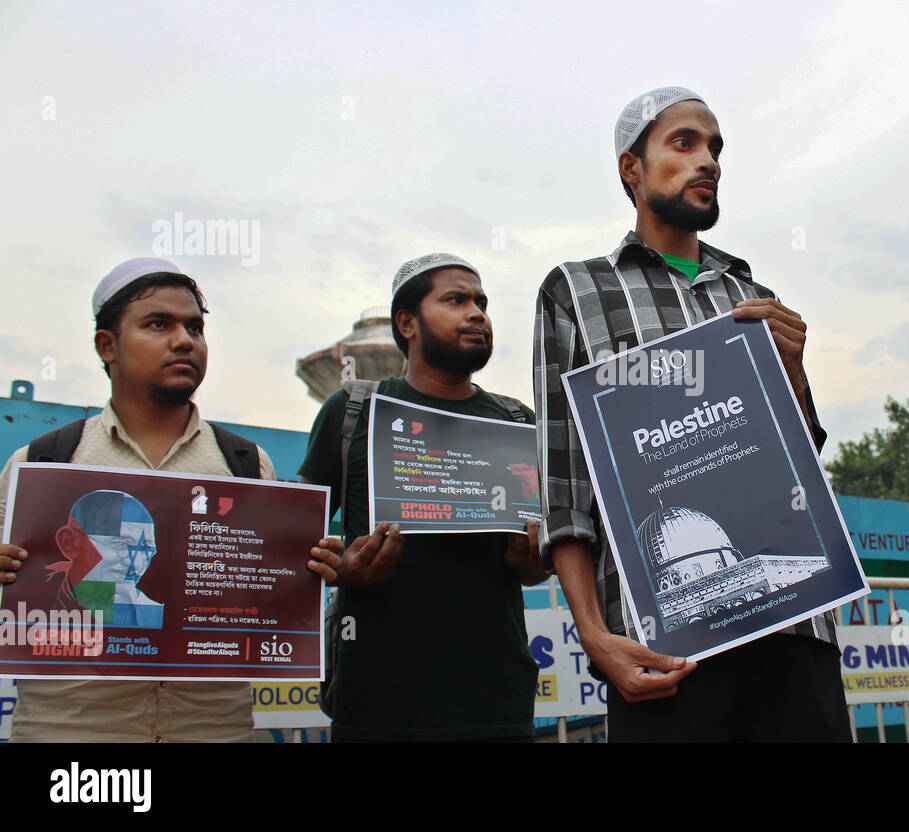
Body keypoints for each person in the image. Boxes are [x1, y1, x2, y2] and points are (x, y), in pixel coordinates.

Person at [533, 86, 848, 741]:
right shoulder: (578, 291)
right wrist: (595, 636)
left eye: (715, 148)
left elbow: (799, 461)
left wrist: (790, 367)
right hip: (666, 645)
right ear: (632, 168)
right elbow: (563, 488)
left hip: (796, 626)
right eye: (684, 143)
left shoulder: (754, 296)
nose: (708, 161)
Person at [0, 256, 327, 742]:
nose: (184, 341)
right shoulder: (44, 462)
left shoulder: (247, 465)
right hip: (70, 735)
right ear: (106, 345)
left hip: (212, 729)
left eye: (195, 327)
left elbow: (264, 598)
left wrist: (314, 570)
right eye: (159, 324)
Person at [299, 252, 546, 742]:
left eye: (482, 302)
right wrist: (344, 573)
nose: (476, 313)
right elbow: (291, 542)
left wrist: (533, 560)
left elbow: (536, 564)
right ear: (407, 322)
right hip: (376, 700)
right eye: (456, 299)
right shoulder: (352, 411)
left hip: (495, 701)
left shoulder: (518, 423)